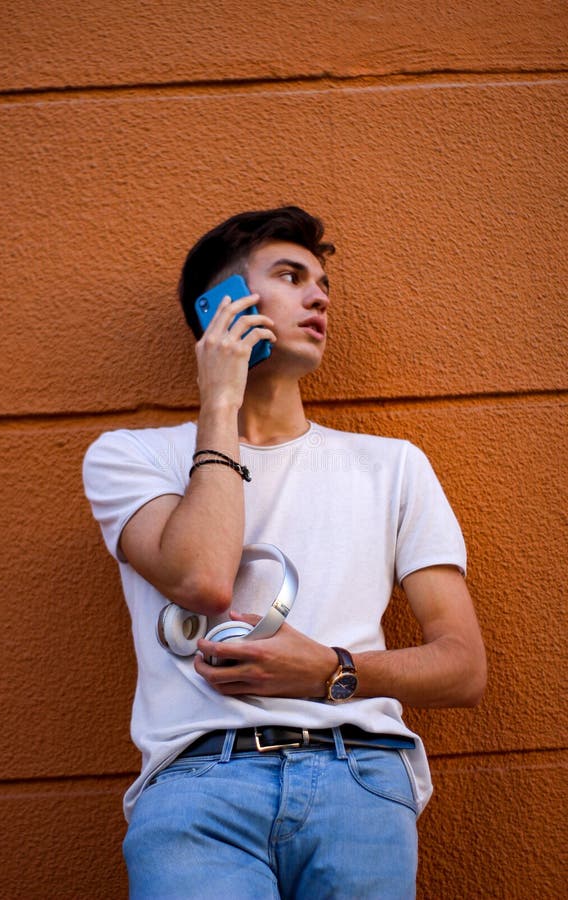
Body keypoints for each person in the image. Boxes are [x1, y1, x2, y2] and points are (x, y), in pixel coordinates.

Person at [83, 205, 487, 899]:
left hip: (358, 777)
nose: (320, 296)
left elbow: (463, 666)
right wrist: (220, 400)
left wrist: (332, 671)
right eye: (291, 275)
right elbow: (203, 578)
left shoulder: (392, 467)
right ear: (223, 308)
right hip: (196, 789)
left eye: (322, 282)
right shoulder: (131, 457)